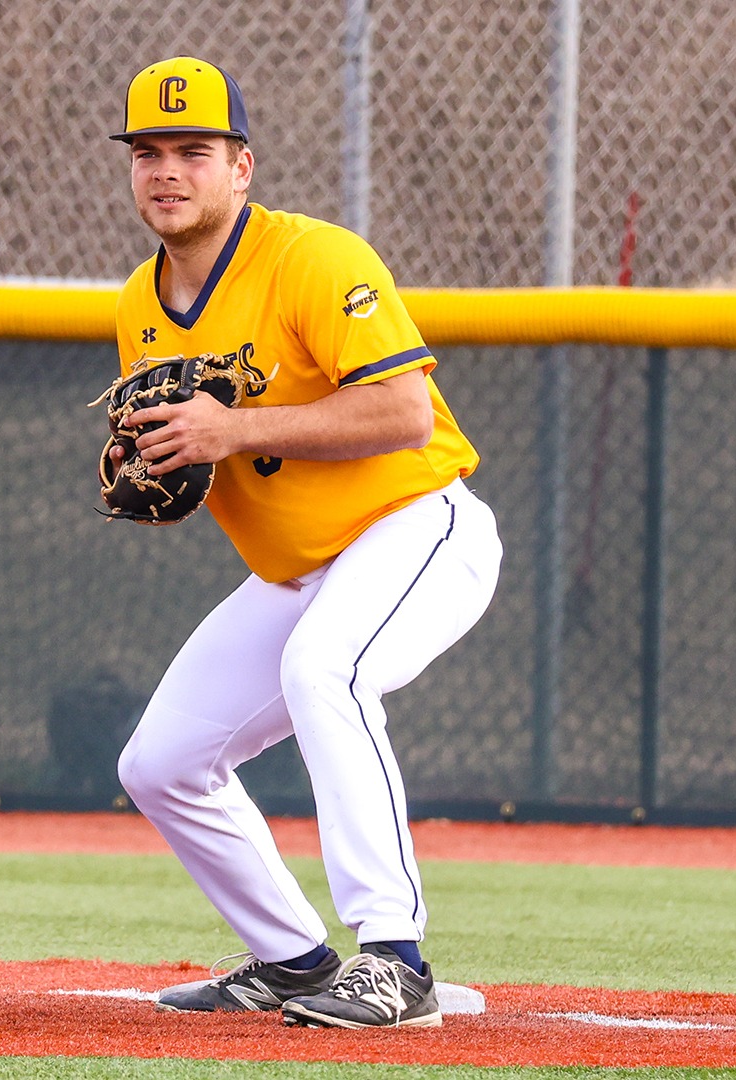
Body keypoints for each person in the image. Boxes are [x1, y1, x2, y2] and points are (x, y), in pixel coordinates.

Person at [107, 57, 502, 1029]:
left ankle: (396, 962)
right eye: (149, 152)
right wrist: (157, 465)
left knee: (326, 669)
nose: (168, 171)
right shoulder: (138, 305)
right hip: (300, 571)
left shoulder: (316, 259)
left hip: (418, 525)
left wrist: (230, 429)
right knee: (160, 763)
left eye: (194, 150)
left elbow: (405, 412)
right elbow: (208, 455)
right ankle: (293, 960)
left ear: (241, 167)